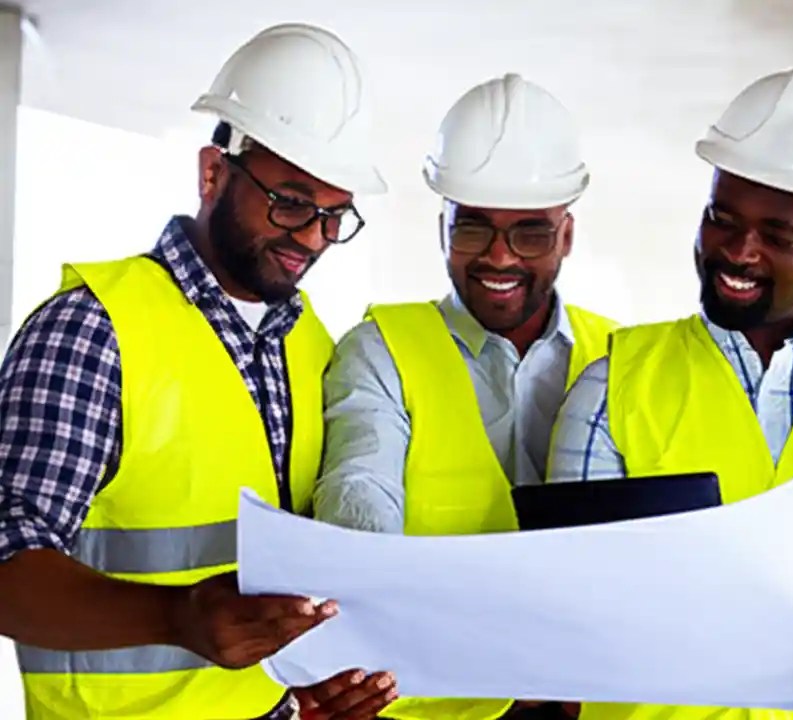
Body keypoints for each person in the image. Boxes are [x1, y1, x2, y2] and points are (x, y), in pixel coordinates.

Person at [0, 23, 400, 720]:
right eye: (291, 200)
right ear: (213, 173)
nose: (311, 237)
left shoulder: (311, 348)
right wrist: (175, 616)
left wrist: (313, 679)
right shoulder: (95, 330)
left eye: (335, 217)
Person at [546, 66, 793, 720]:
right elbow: (564, 608)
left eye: (779, 236)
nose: (738, 251)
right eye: (721, 219)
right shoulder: (610, 389)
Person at [314, 73, 617, 720]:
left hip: (584, 698)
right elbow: (358, 494)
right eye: (473, 229)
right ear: (442, 227)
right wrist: (362, 606)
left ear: (565, 236)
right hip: (426, 697)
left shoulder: (620, 357)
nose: (498, 258)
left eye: (530, 233)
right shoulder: (381, 348)